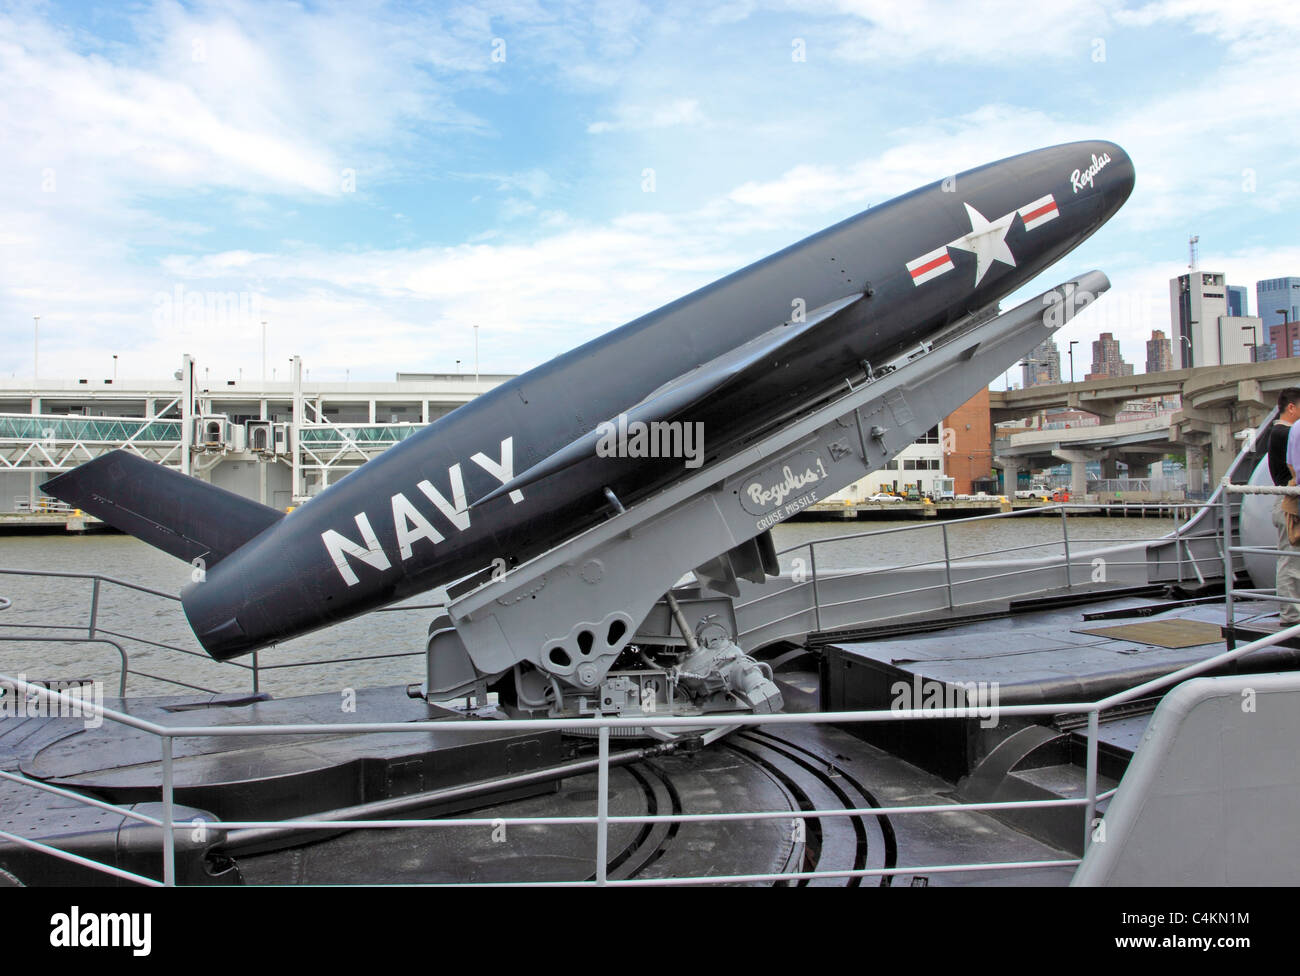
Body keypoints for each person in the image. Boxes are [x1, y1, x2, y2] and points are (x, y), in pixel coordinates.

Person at [1275, 388, 1300, 626]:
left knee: (1290, 559)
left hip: (1287, 500)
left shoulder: (1286, 432)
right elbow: (1294, 469)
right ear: (1291, 407)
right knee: (1290, 560)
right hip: (1290, 502)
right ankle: (1291, 616)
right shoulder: (1287, 432)